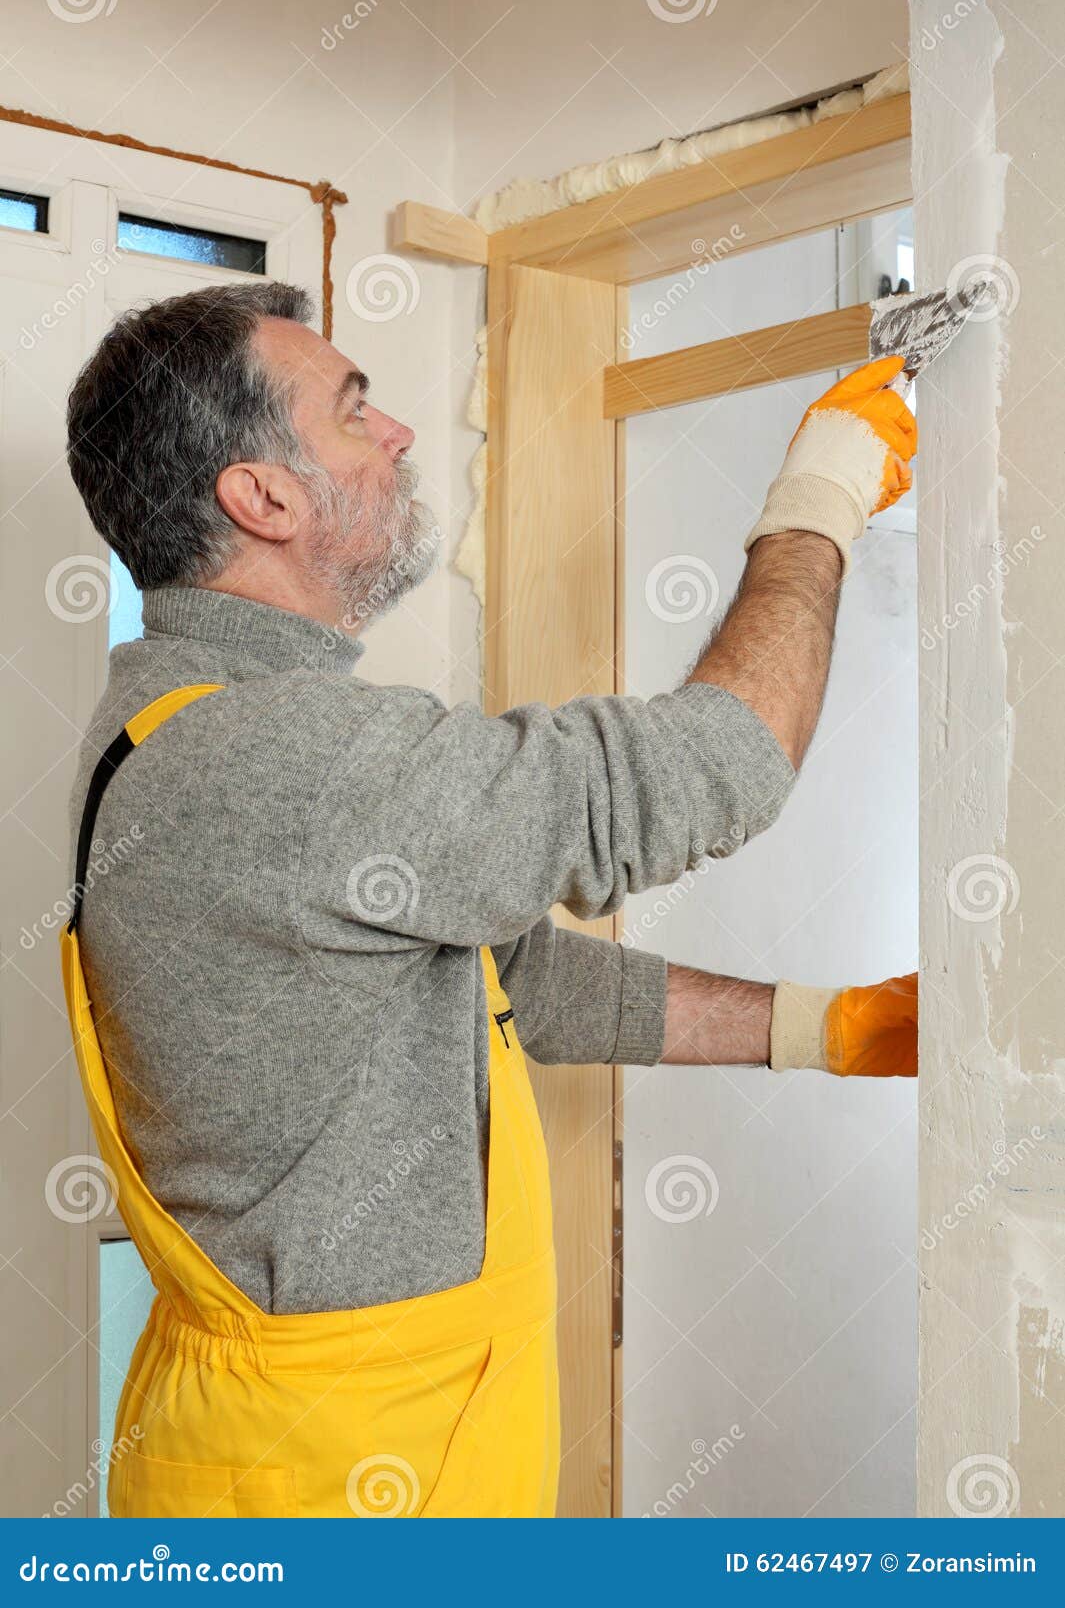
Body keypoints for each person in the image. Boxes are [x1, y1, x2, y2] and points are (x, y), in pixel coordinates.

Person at [61, 281, 917, 1518]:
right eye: (356, 411)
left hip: (311, 1440)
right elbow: (719, 769)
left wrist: (824, 1028)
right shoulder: (281, 753)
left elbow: (508, 976)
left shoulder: (177, 721)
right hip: (340, 1480)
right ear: (264, 496)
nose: (399, 432)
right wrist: (818, 498)